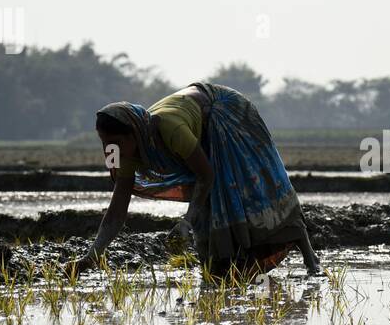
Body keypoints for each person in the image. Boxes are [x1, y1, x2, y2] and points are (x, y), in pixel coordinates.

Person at [65, 82, 321, 277]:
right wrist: (91, 256)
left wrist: (187, 221)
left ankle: (311, 261)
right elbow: (117, 209)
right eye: (106, 143)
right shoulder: (128, 152)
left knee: (254, 189)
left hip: (225, 113)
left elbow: (205, 175)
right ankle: (226, 266)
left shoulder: (170, 129)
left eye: (117, 142)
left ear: (134, 133)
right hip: (200, 125)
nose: (111, 150)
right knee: (213, 244)